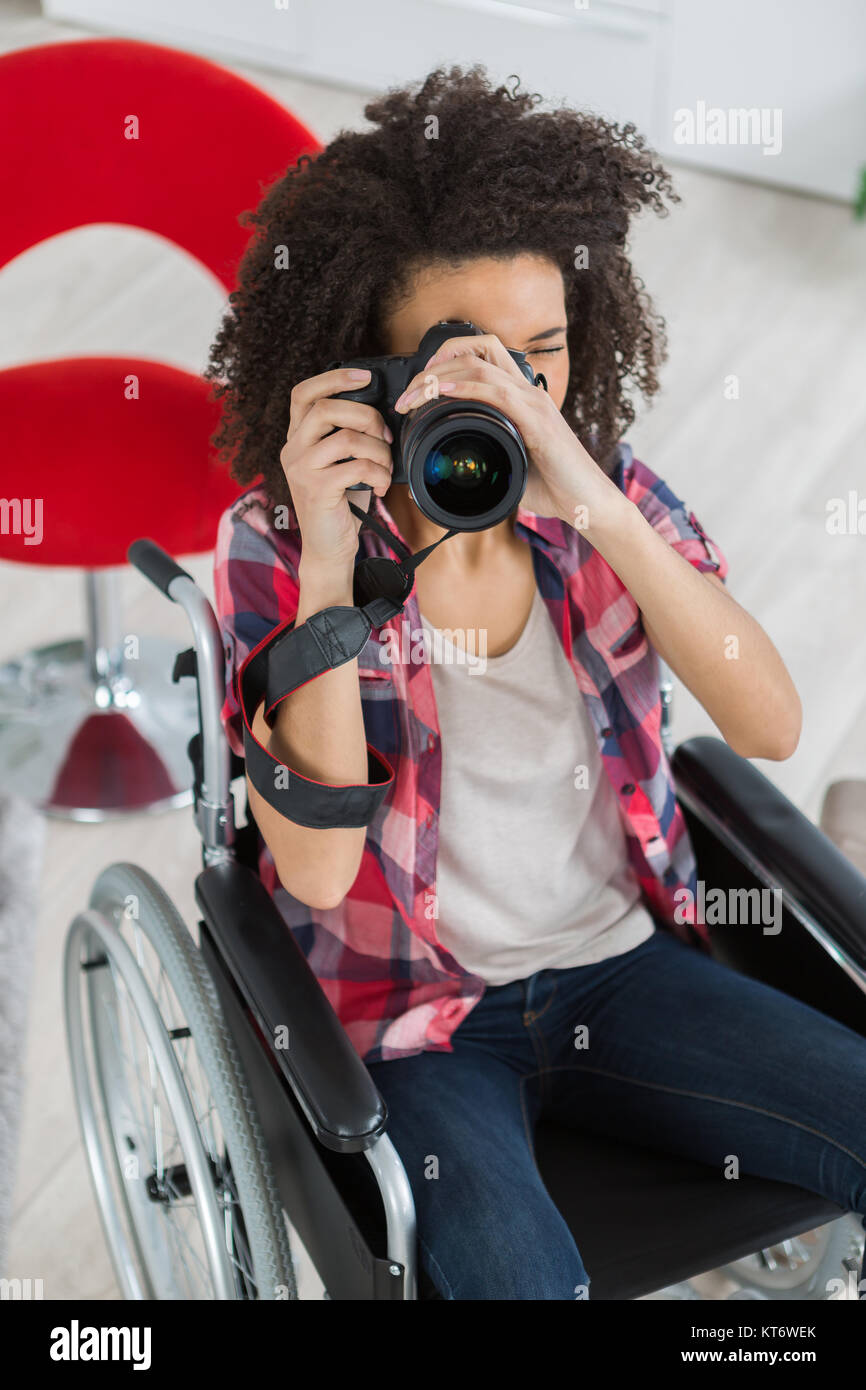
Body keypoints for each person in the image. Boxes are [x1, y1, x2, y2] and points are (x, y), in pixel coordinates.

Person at [207, 66, 866, 1300]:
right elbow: (311, 871)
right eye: (467, 365)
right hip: (411, 1024)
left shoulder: (599, 500)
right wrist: (334, 568)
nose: (509, 396)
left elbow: (767, 724)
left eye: (541, 357)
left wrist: (598, 502)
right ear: (366, 366)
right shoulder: (280, 544)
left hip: (622, 969)